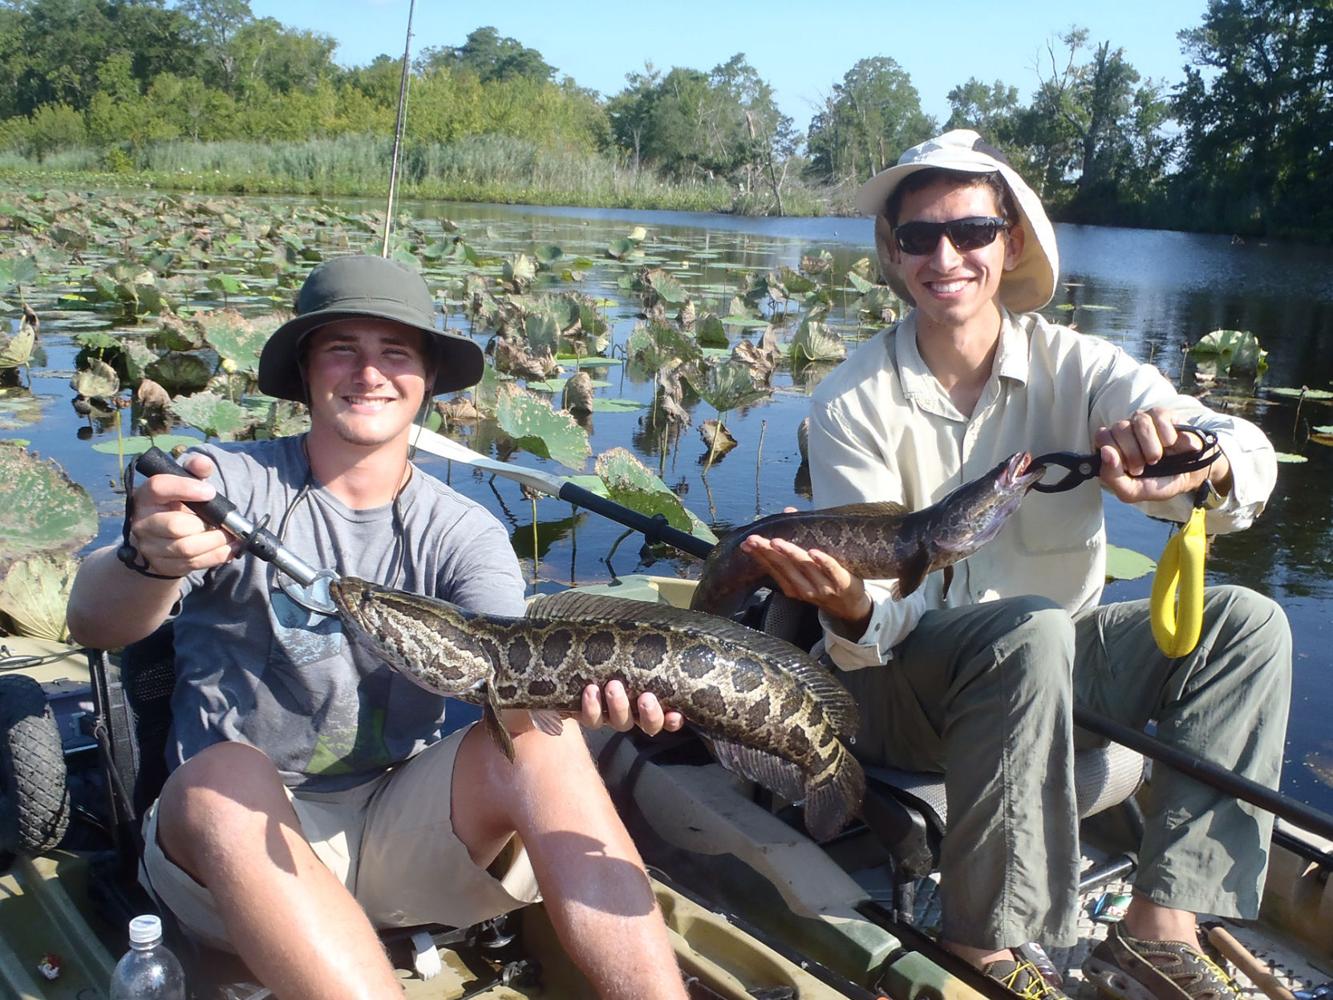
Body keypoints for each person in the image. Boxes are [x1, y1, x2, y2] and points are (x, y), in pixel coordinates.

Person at [738, 130, 1290, 1000]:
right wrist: (845, 605)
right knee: (1025, 630)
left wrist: (1198, 459)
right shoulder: (849, 399)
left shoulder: (1083, 367)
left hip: (1053, 678)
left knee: (1247, 623)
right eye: (918, 236)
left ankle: (1158, 927)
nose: (945, 257)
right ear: (892, 252)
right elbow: (876, 627)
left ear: (1011, 242)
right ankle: (980, 945)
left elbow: (1236, 449)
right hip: (896, 689)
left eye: (971, 231)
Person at [67, 254, 689, 1000]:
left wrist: (595, 701)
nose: (369, 374)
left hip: (399, 832)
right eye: (342, 350)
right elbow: (94, 624)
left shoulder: (464, 532)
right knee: (225, 775)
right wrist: (146, 558)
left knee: (541, 744)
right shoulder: (225, 483)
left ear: (427, 380)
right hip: (230, 857)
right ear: (305, 373)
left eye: (395, 352)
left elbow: (508, 672)